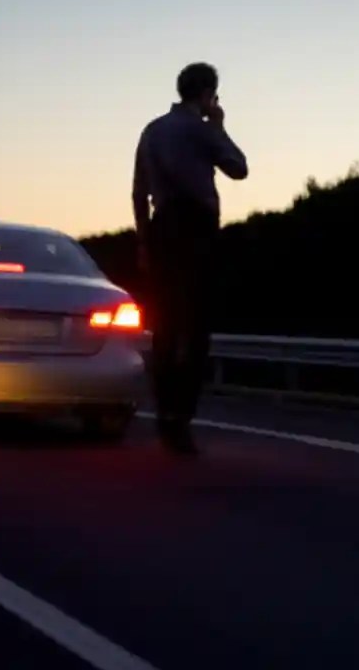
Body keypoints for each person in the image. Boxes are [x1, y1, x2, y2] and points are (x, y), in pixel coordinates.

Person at [132, 62, 248, 454]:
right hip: (197, 229)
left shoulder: (152, 130)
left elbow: (137, 192)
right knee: (196, 326)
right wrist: (218, 124)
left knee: (165, 325)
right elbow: (239, 168)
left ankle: (166, 412)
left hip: (163, 228)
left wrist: (145, 243)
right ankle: (181, 417)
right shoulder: (200, 129)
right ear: (206, 94)